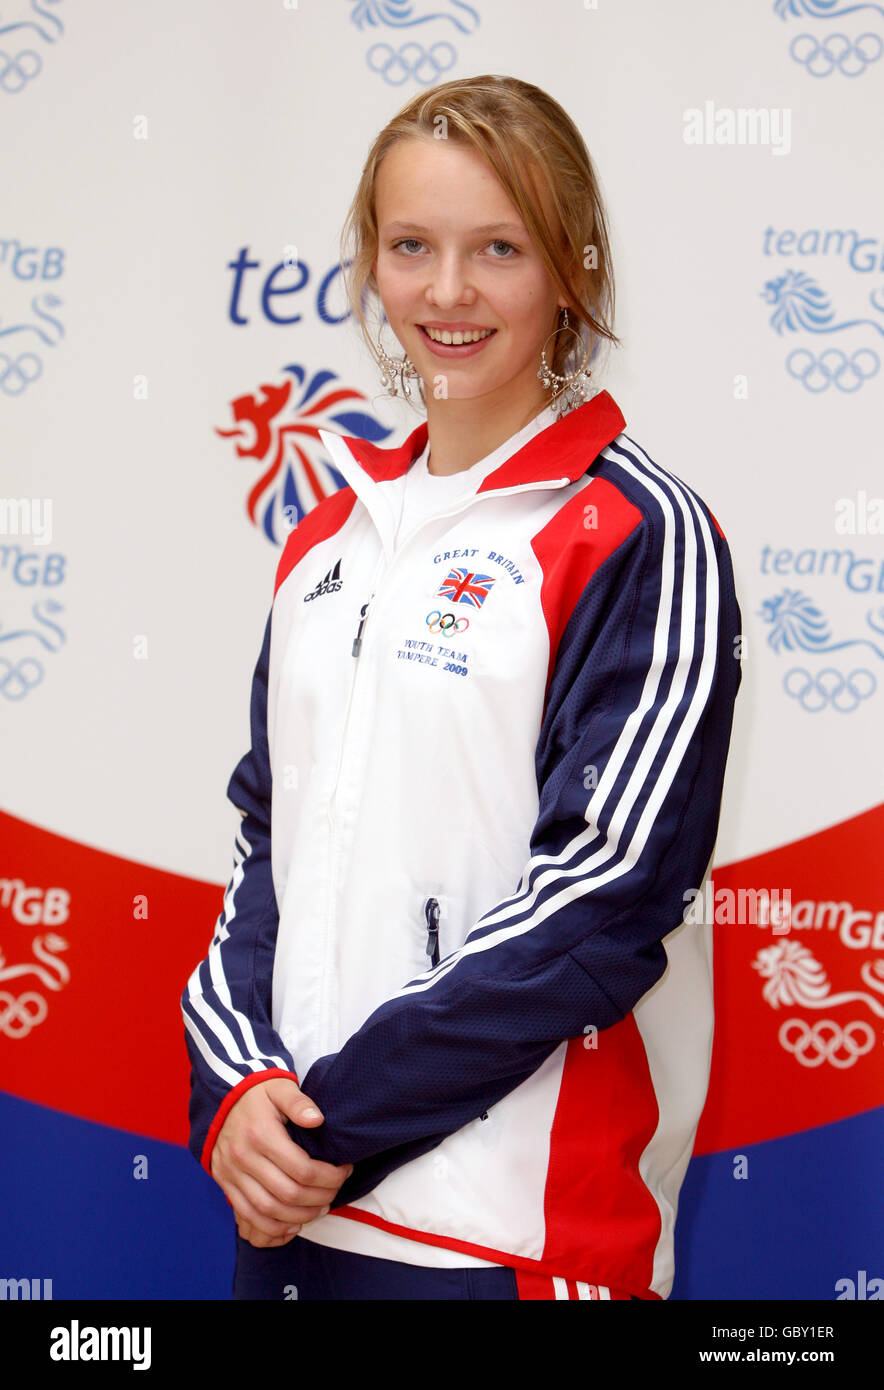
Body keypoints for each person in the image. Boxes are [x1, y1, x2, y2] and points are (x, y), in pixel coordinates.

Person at [181, 74, 743, 1301]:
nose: (446, 292)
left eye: (498, 247)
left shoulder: (638, 532)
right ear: (370, 268)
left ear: (570, 269)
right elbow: (263, 845)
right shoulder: (326, 537)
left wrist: (331, 1128)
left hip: (514, 1238)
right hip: (291, 1225)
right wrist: (234, 1094)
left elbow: (604, 897)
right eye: (410, 247)